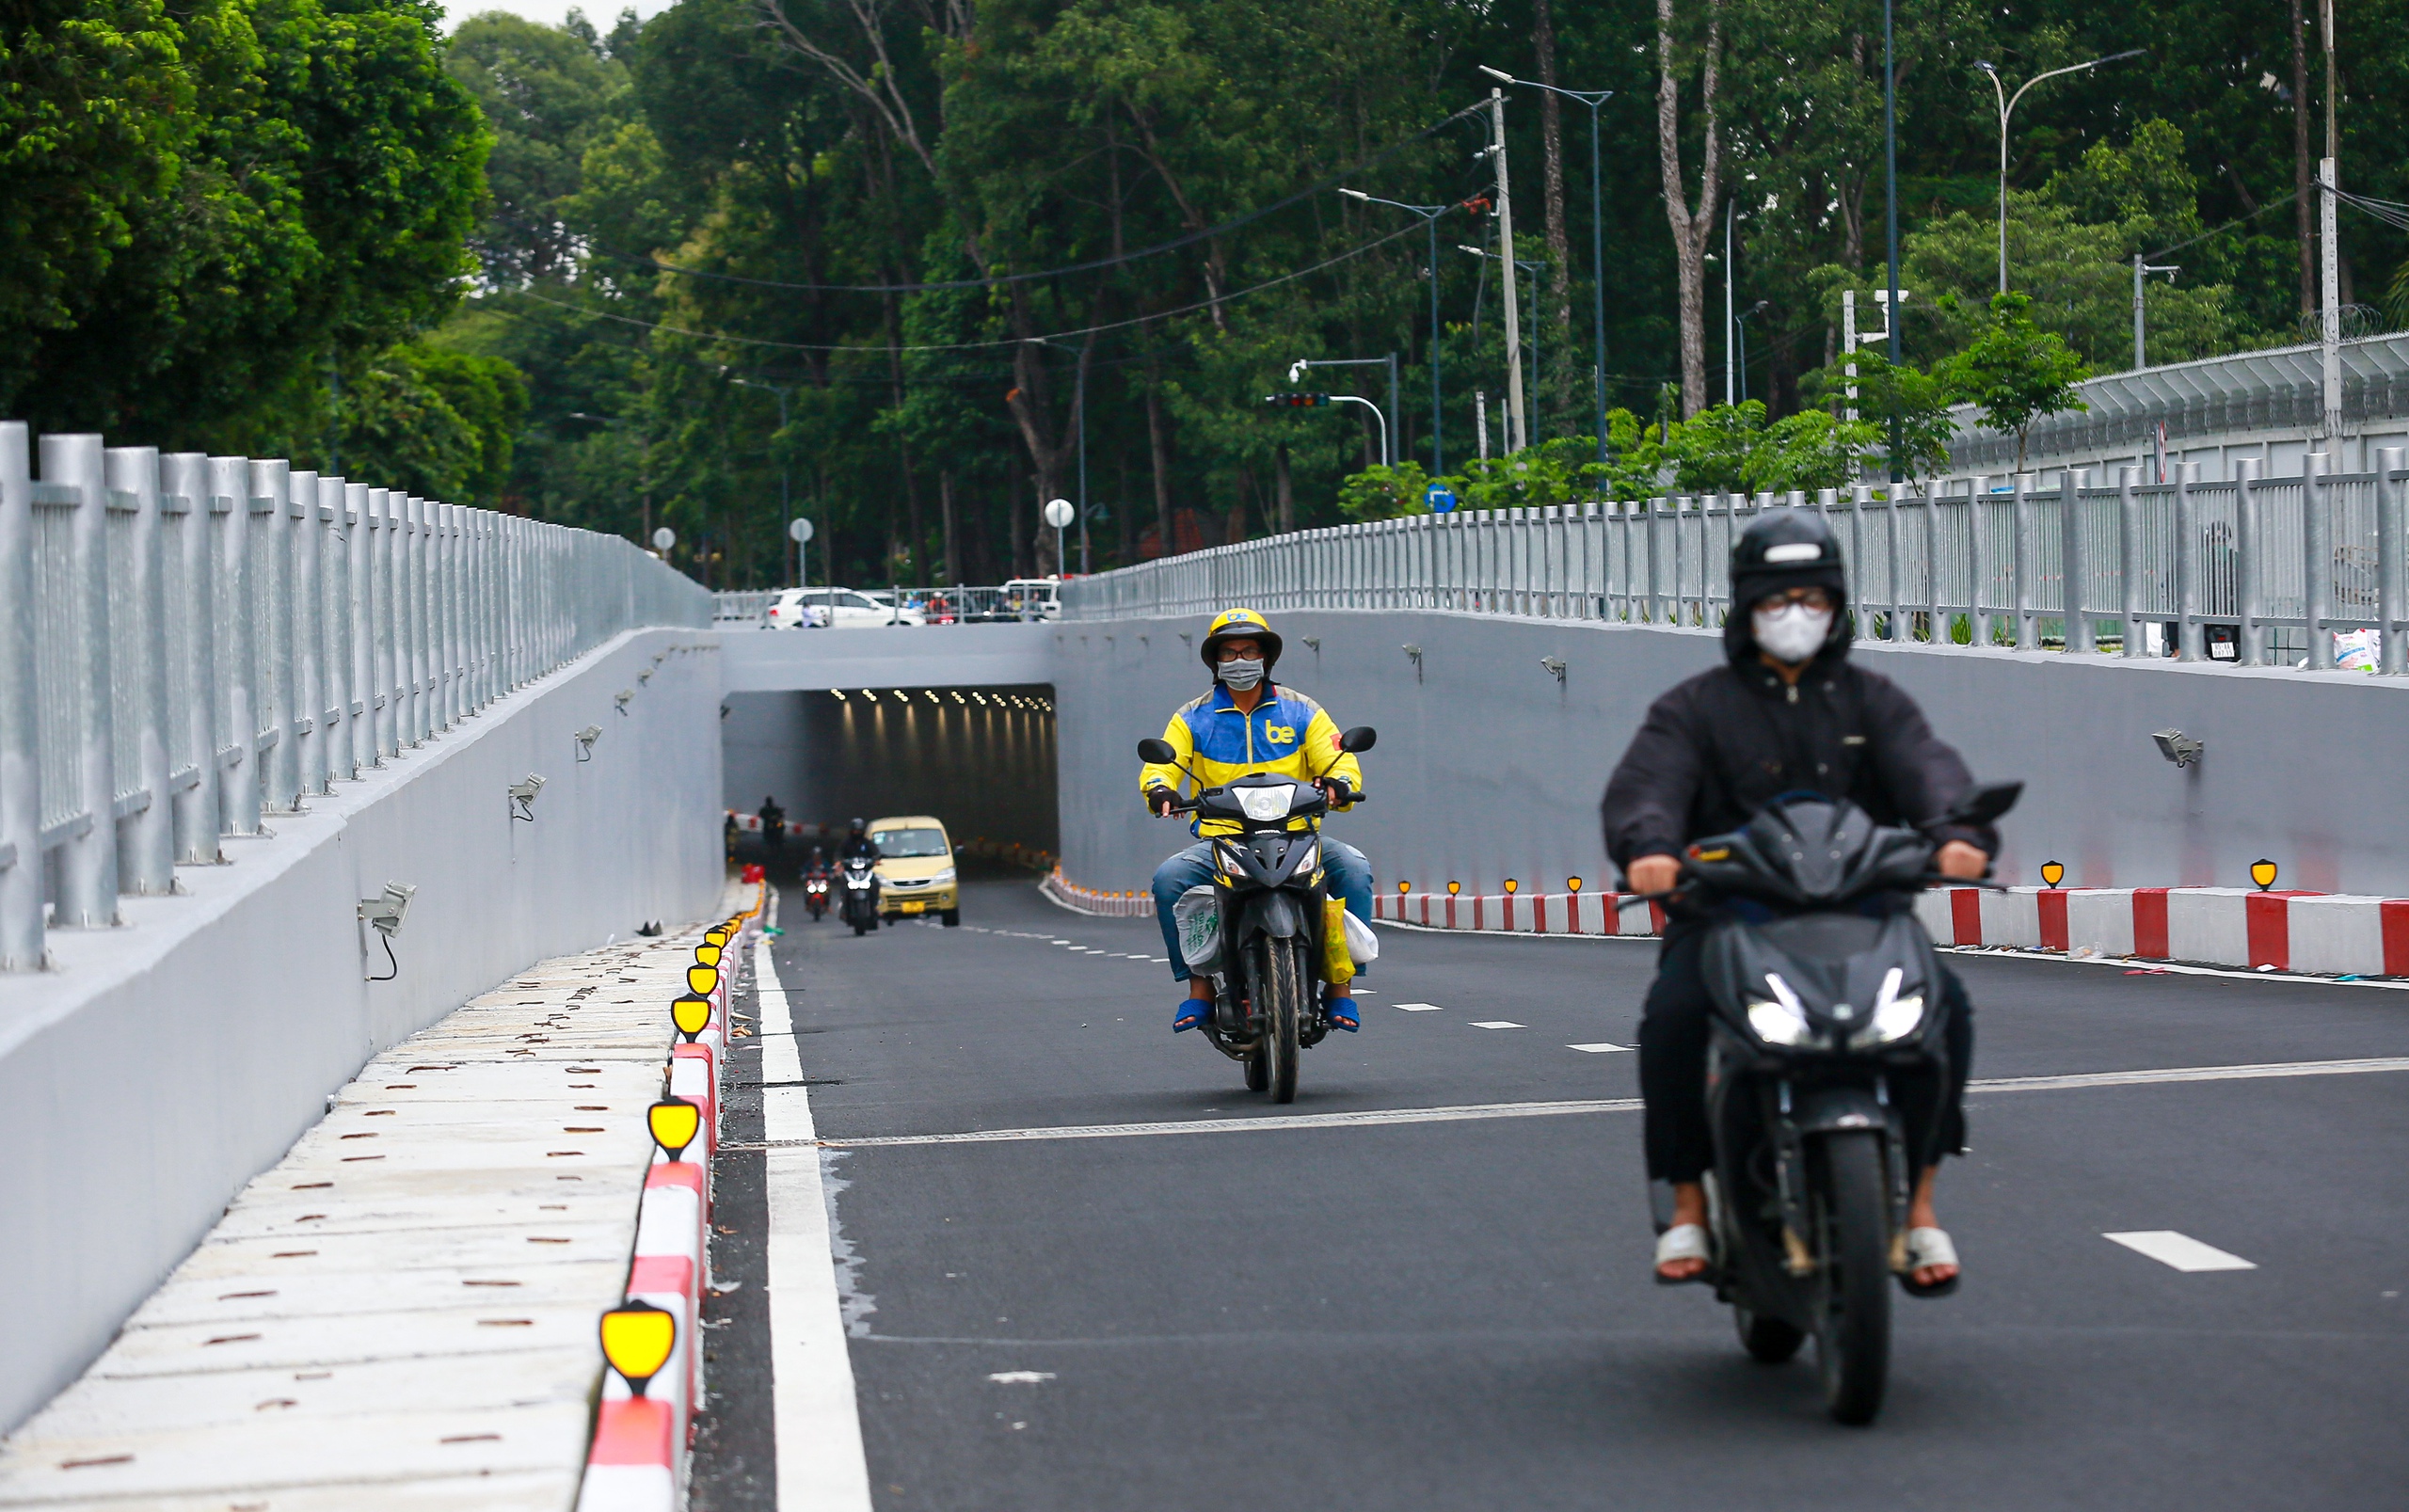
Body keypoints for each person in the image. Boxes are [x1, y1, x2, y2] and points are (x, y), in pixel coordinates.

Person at [1599, 509, 1996, 1294]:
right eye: (1778, 600)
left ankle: (1919, 1209)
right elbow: (1650, 785)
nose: (1795, 615)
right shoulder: (1695, 706)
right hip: (1726, 916)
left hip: (1864, 914)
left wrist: (1956, 828)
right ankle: (1687, 1204)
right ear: (1747, 608)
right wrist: (1649, 848)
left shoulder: (1871, 699)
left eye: (1813, 599)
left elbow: (1929, 767)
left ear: (1837, 606)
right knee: (1674, 1018)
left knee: (1945, 1005)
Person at [1141, 608, 1374, 1034]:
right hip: (1223, 841)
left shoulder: (1303, 710)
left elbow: (1338, 755)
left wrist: (1339, 782)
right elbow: (1163, 766)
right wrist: (1160, 789)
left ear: (1266, 657)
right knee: (1168, 879)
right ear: (1215, 662)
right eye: (1229, 652)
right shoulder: (1191, 717)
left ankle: (1341, 988)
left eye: (1249, 650)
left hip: (1298, 837)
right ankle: (1199, 988)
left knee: (1355, 870)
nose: (1240, 660)